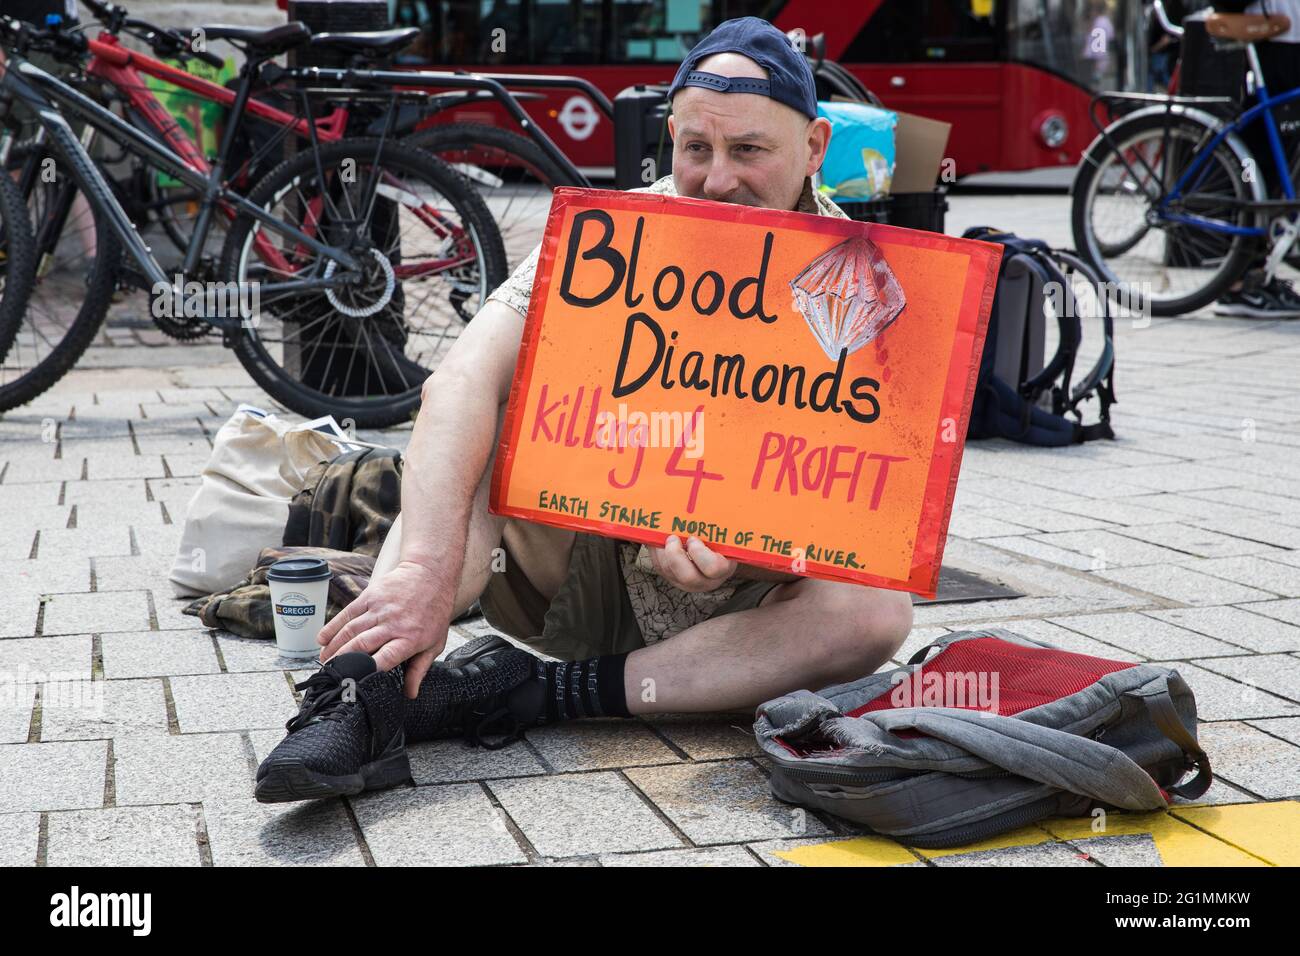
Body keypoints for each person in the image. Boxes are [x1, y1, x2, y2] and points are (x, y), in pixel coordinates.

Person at [253, 17, 914, 804]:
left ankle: (533, 693)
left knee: (877, 611)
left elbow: (868, 504)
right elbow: (460, 377)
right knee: (483, 431)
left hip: (738, 619)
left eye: (750, 151)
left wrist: (751, 543)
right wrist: (430, 573)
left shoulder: (869, 288)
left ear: (813, 148)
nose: (717, 179)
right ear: (670, 138)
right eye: (696, 149)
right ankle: (361, 694)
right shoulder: (607, 235)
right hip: (572, 565)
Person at [1213, 0, 1300, 316]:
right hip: (1274, 39)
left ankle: (1257, 274)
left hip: (1288, 38)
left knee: (1279, 164)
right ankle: (1239, 283)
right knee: (1261, 162)